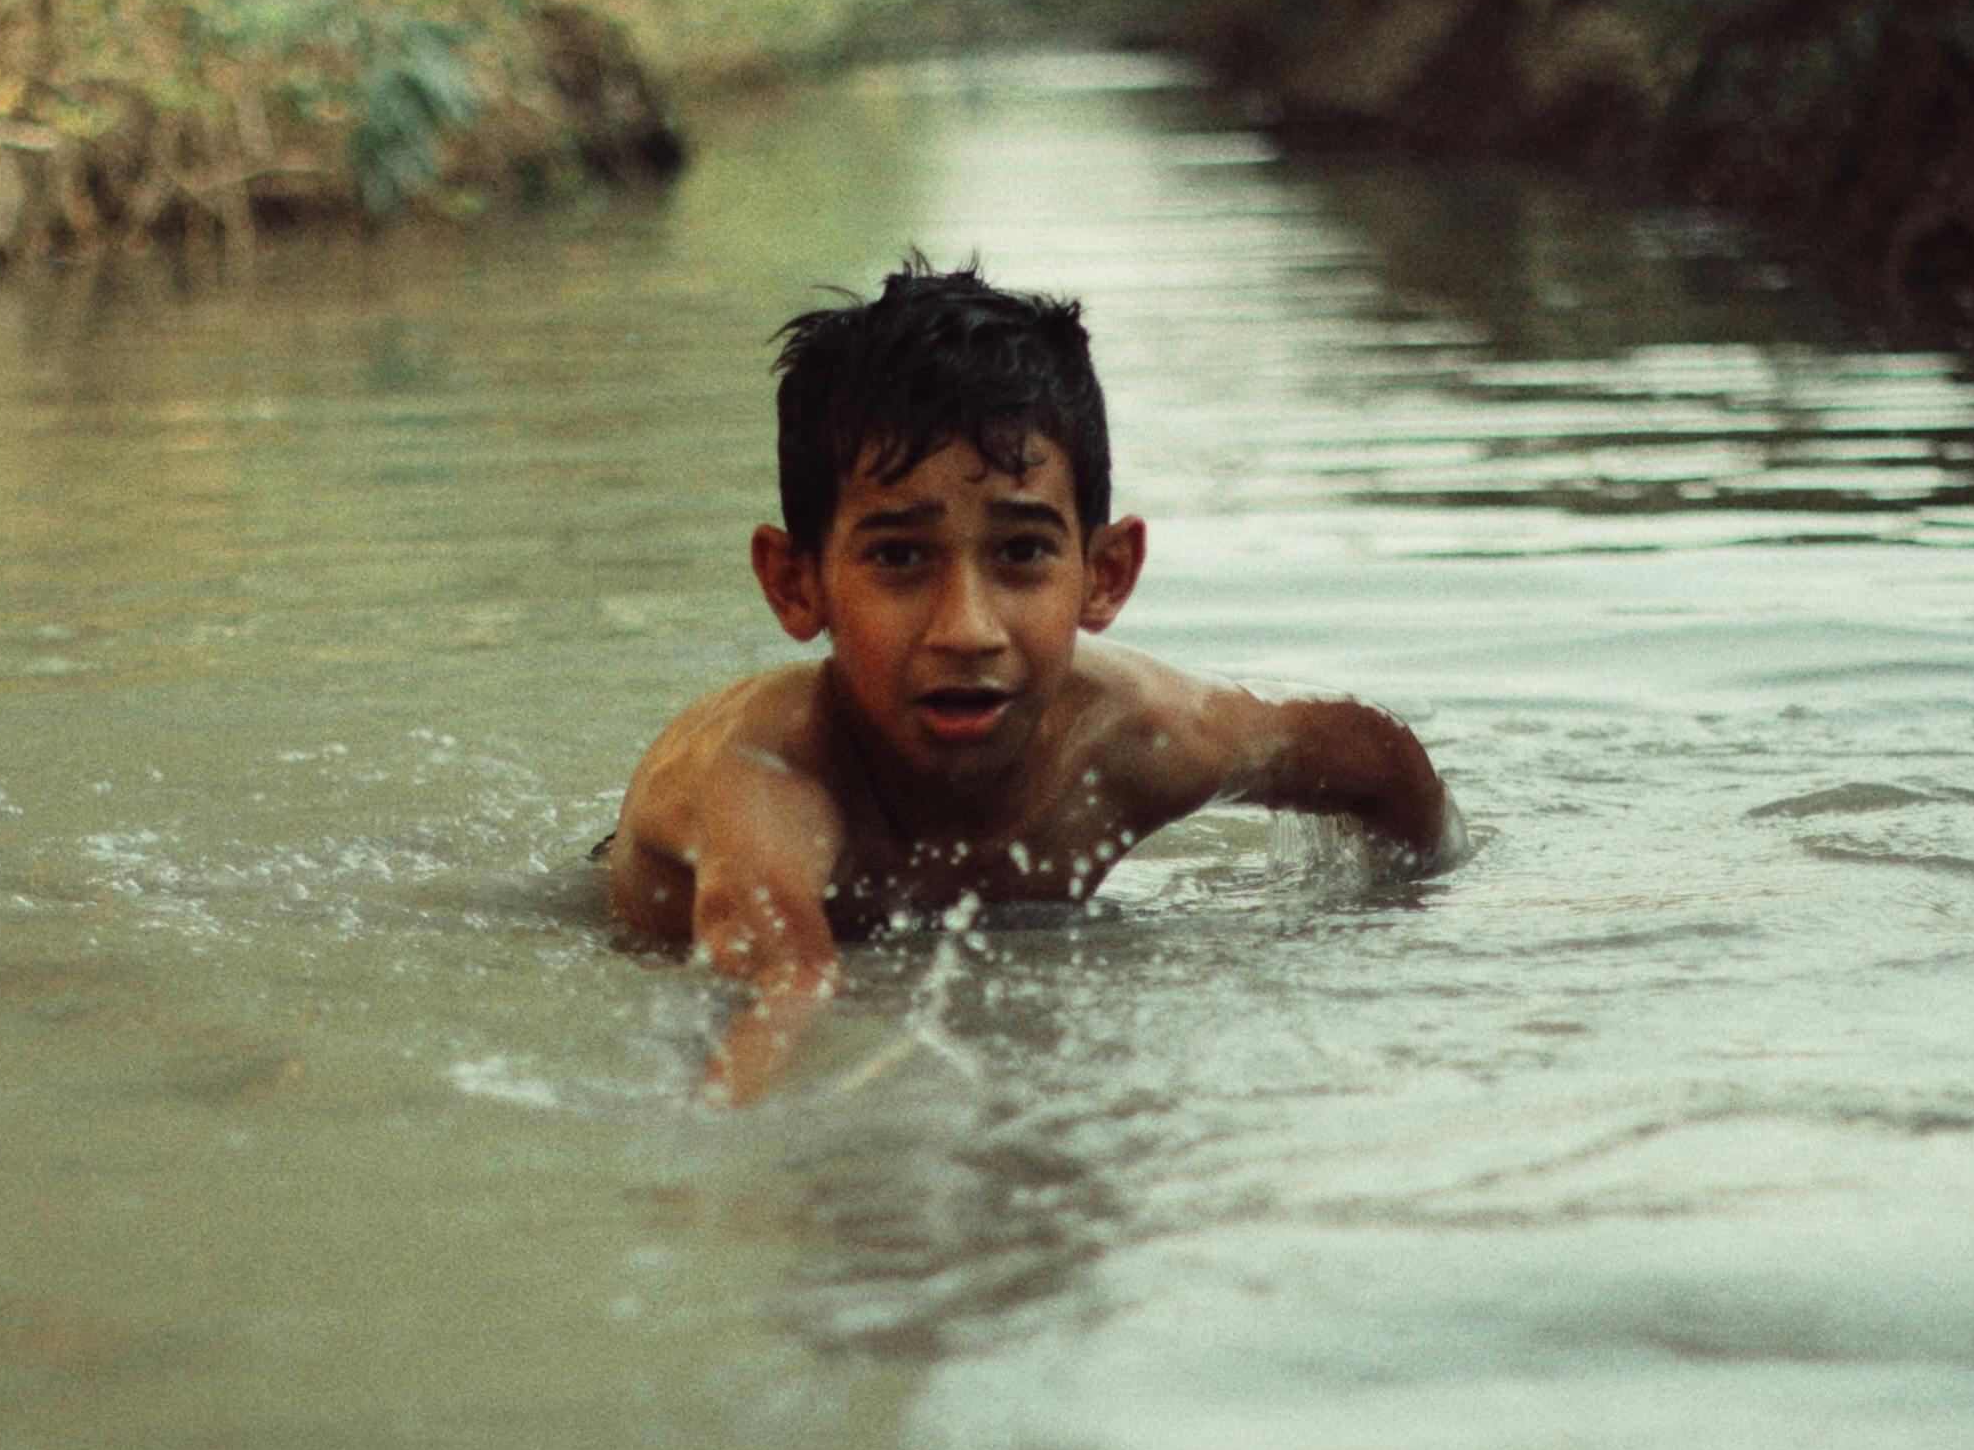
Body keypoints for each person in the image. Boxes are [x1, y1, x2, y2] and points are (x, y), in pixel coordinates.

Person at [607, 257, 1465, 1104]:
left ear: (1105, 573)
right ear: (798, 584)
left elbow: (1381, 764)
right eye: (900, 557)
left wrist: (1439, 931)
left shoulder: (1143, 737)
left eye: (1021, 552)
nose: (967, 630)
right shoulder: (775, 771)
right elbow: (783, 983)